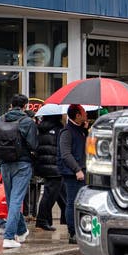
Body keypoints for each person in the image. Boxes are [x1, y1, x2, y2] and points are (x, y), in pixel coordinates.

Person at [0, 94, 39, 250]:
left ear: (11, 104)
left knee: (11, 200)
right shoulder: (27, 122)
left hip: (4, 164)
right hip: (22, 164)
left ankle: (21, 231)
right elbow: (34, 145)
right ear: (25, 106)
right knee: (16, 201)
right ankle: (9, 237)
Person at [58, 104, 88, 245]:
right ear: (77, 115)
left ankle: (81, 231)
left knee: (81, 203)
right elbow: (65, 154)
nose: (86, 114)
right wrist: (77, 170)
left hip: (82, 171)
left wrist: (85, 131)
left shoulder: (79, 130)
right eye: (83, 112)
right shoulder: (67, 132)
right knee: (72, 203)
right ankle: (73, 232)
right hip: (73, 173)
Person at [35, 111, 66, 231]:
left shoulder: (41, 128)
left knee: (57, 193)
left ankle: (50, 220)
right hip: (55, 166)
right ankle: (42, 220)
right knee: (49, 195)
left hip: (44, 165)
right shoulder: (59, 129)